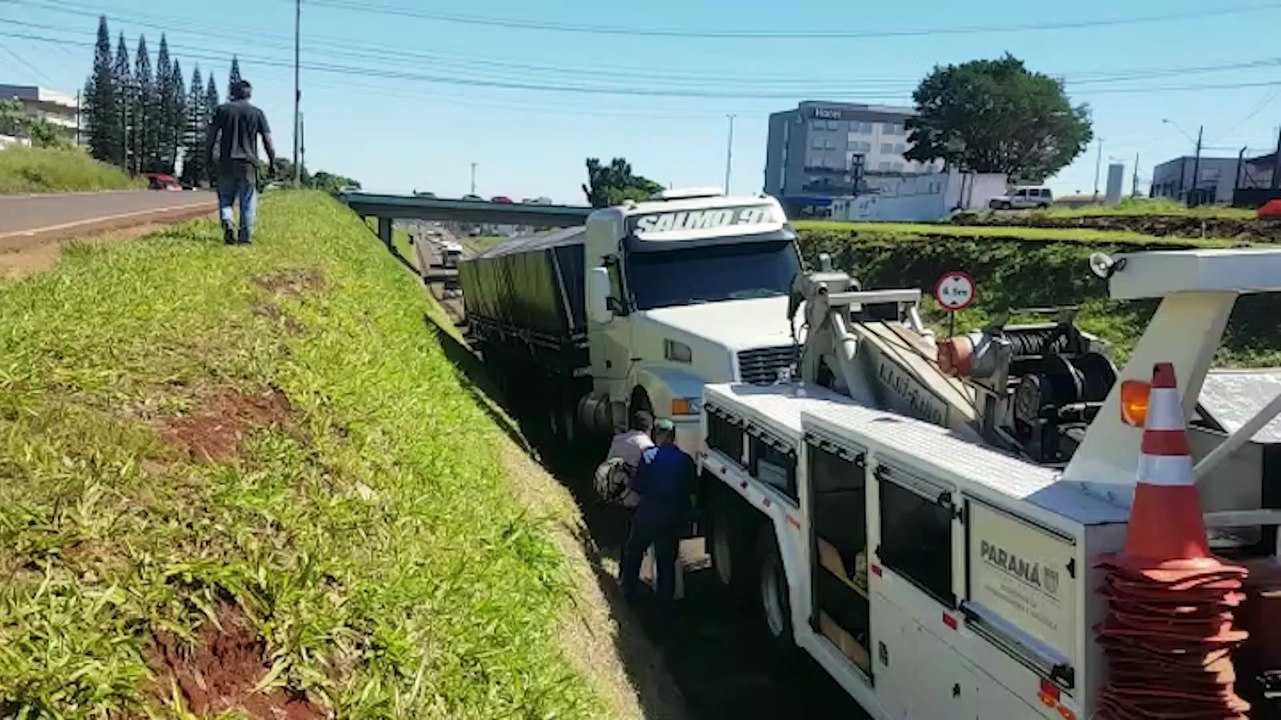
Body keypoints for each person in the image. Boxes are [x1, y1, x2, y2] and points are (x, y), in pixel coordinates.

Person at [620, 418, 695, 612]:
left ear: (657, 436)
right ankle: (664, 608)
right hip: (672, 519)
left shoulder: (648, 457)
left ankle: (628, 590)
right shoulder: (685, 460)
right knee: (666, 563)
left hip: (647, 515)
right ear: (673, 437)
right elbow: (692, 490)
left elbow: (638, 486)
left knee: (634, 551)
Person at [206, 79, 275, 246]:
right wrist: (272, 162)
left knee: (225, 197)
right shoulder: (257, 113)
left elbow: (211, 137)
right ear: (249, 94)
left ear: (232, 93)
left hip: (226, 161)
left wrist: (208, 157)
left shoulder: (222, 110)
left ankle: (227, 220)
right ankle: (244, 238)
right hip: (248, 164)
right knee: (247, 201)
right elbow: (267, 141)